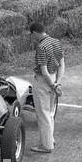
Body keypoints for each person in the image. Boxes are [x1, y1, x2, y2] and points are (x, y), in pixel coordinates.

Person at [28, 21, 64, 153]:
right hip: (54, 78)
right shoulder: (56, 42)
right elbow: (61, 65)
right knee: (49, 112)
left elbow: (44, 71)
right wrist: (57, 83)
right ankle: (50, 139)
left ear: (35, 33)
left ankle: (47, 145)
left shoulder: (41, 47)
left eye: (31, 35)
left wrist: (53, 85)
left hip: (44, 81)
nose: (32, 38)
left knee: (43, 114)